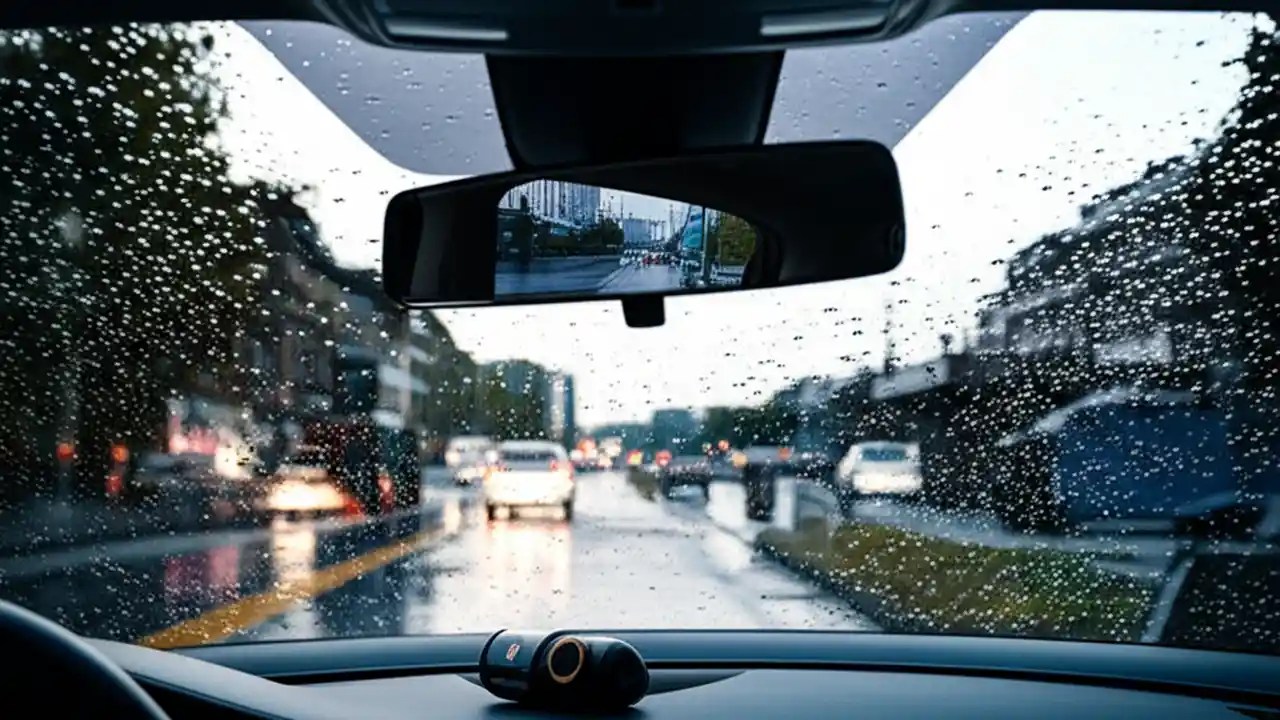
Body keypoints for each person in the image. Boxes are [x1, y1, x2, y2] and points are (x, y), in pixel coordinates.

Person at [513, 194, 535, 272]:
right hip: (526, 235)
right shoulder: (527, 215)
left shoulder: (522, 216)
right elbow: (532, 225)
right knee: (526, 249)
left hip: (523, 235)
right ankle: (524, 262)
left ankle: (523, 262)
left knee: (523, 249)